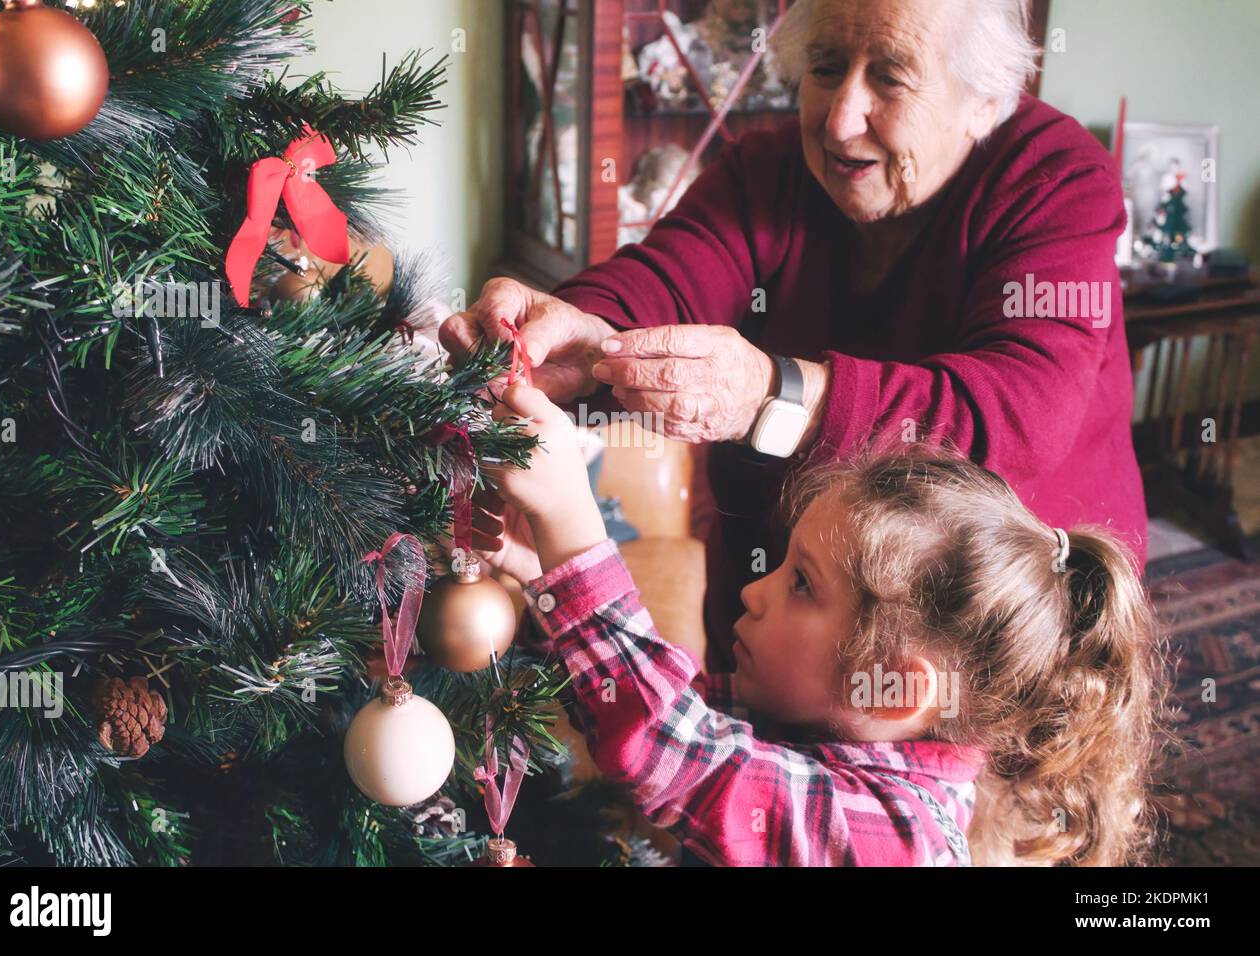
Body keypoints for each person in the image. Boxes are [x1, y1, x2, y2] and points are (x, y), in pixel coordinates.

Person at [442, 0, 1146, 674]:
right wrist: (577, 325)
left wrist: (772, 395)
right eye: (826, 66)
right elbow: (663, 278)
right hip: (777, 618)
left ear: (985, 101)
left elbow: (1017, 415)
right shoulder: (768, 171)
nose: (841, 120)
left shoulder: (1057, 179)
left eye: (890, 77)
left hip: (989, 630)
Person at [473, 383, 1170, 866]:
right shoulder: (833, 722)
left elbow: (668, 744)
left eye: (802, 583)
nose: (755, 591)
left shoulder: (895, 842)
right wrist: (544, 580)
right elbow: (667, 707)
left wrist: (572, 521)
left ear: (892, 688)